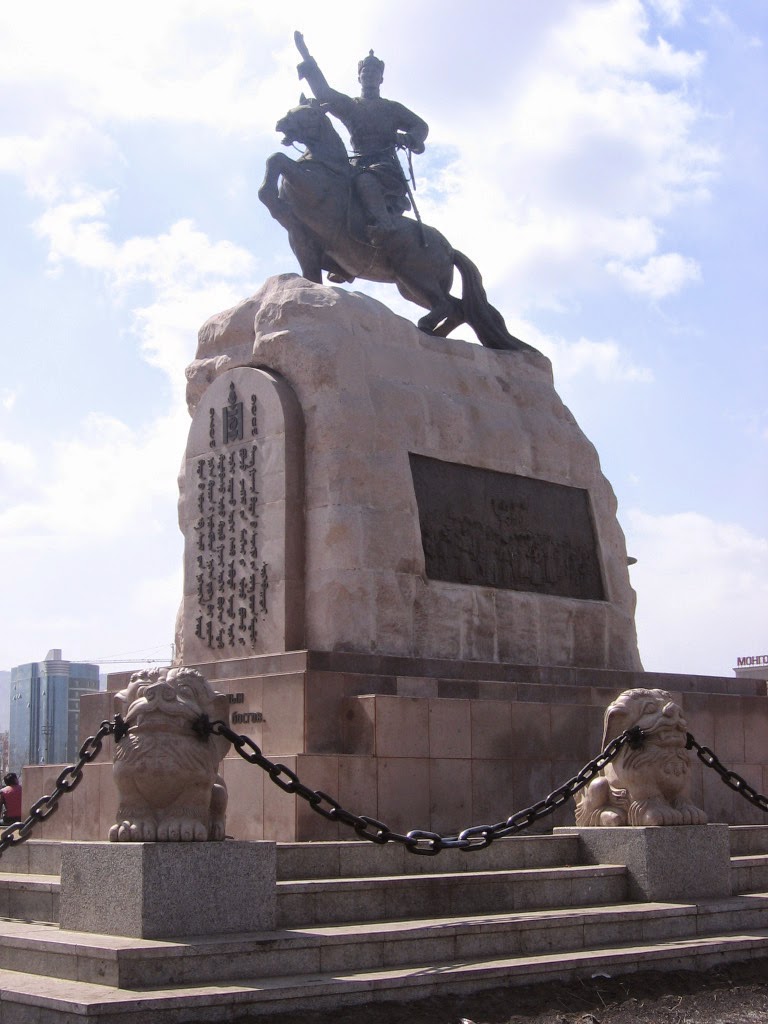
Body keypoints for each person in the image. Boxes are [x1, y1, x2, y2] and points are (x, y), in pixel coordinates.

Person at [295, 34, 429, 250]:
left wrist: (409, 138)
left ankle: (384, 225)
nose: (369, 75)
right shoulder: (351, 106)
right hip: (355, 165)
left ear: (381, 79)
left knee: (366, 180)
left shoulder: (391, 108)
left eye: (374, 73)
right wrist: (306, 56)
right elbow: (324, 93)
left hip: (383, 166)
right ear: (359, 77)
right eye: (365, 72)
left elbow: (420, 126)